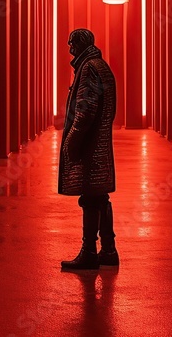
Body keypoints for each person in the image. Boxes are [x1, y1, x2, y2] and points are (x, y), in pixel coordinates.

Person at [58, 28, 118, 271]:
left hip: (90, 145)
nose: (70, 49)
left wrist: (71, 142)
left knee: (90, 198)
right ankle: (109, 250)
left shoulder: (88, 68)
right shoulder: (99, 65)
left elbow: (85, 111)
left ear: (80, 44)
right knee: (100, 197)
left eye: (71, 44)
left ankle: (89, 251)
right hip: (99, 142)